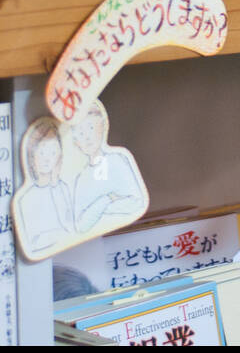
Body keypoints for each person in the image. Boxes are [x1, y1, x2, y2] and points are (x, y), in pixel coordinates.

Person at [70, 102, 145, 234]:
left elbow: (136, 203)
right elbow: (81, 225)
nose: (87, 137)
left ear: (103, 126)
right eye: (81, 133)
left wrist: (96, 211)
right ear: (76, 142)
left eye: (91, 128)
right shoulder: (82, 178)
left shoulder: (117, 159)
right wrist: (107, 199)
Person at [16, 119, 74, 255]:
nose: (47, 159)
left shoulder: (63, 189)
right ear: (32, 155)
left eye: (53, 152)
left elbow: (71, 228)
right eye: (42, 152)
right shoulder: (24, 198)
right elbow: (31, 242)